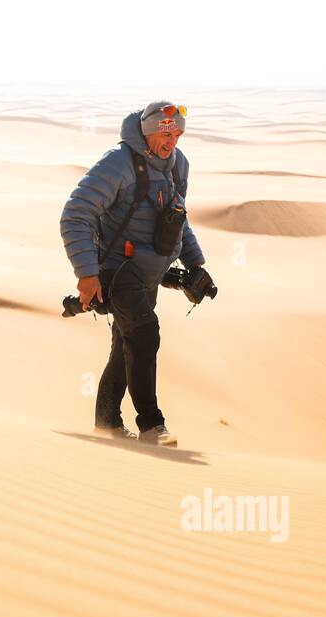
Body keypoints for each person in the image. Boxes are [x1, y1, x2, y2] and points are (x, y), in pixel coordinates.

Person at [60, 101, 213, 446]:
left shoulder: (178, 166)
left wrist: (195, 265)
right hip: (117, 271)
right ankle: (151, 426)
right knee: (144, 335)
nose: (171, 140)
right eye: (165, 132)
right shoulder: (118, 163)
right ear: (147, 131)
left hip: (149, 274)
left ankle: (107, 424)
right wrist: (87, 274)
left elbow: (178, 217)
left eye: (177, 133)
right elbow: (75, 215)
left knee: (125, 348)